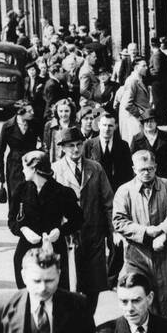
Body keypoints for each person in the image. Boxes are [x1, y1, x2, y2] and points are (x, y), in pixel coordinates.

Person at [112, 150, 167, 317]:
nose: (146, 173)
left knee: (166, 300)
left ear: (156, 168)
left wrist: (164, 234)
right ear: (133, 169)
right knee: (137, 297)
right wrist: (145, 232)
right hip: (137, 255)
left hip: (166, 252)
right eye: (141, 170)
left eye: (150, 169)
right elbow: (118, 220)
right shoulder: (124, 191)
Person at [51, 126, 113, 312]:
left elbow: (108, 203)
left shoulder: (96, 168)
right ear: (62, 148)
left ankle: (87, 325)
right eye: (70, 146)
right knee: (68, 285)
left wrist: (112, 234)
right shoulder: (55, 171)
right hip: (67, 237)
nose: (76, 149)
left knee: (92, 286)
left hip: (93, 235)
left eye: (79, 144)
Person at [9, 149, 81, 290]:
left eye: (24, 167)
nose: (22, 171)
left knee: (57, 293)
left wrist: (60, 231)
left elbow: (78, 219)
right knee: (27, 291)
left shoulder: (62, 192)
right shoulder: (21, 190)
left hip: (54, 248)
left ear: (34, 169)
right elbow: (12, 220)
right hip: (27, 248)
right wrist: (23, 230)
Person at [0, 102, 40, 205]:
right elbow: (0, 150)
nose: (33, 113)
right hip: (14, 166)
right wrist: (1, 173)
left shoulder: (35, 124)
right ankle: (13, 220)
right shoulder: (8, 126)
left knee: (31, 196)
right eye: (29, 111)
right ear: (20, 112)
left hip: (31, 165)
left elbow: (44, 142)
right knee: (15, 195)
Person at [83, 109, 133, 189]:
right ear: (99, 125)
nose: (107, 129)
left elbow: (128, 172)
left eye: (110, 125)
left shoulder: (123, 146)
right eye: (104, 125)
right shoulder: (88, 145)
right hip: (95, 191)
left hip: (117, 191)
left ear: (115, 126)